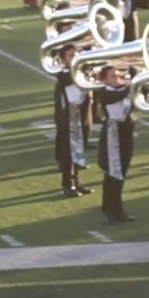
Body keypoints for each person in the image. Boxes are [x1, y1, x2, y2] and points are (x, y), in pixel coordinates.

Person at [97, 65, 136, 226]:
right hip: (113, 134)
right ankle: (108, 211)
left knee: (122, 172)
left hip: (125, 133)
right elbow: (121, 94)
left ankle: (118, 210)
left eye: (118, 75)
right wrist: (133, 83)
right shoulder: (105, 92)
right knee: (112, 173)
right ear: (104, 79)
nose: (117, 78)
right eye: (112, 76)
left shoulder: (122, 90)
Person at [53, 45, 92, 197]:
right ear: (63, 60)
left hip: (81, 116)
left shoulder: (80, 73)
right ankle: (68, 184)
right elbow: (71, 80)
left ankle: (76, 181)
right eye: (70, 56)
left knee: (78, 149)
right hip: (69, 118)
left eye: (76, 54)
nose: (75, 58)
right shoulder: (63, 75)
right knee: (69, 152)